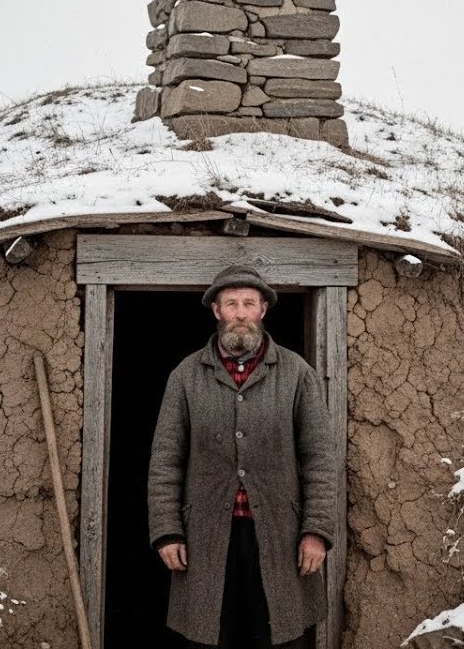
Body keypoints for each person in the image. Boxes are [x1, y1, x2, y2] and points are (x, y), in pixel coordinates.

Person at [148, 265, 336, 649]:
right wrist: (167, 532)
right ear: (216, 311)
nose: (240, 312)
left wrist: (315, 531)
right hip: (205, 535)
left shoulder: (297, 373)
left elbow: (319, 457)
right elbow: (166, 459)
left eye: (249, 303)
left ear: (263, 309)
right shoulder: (185, 376)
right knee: (210, 634)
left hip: (281, 535)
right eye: (231, 303)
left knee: (276, 635)